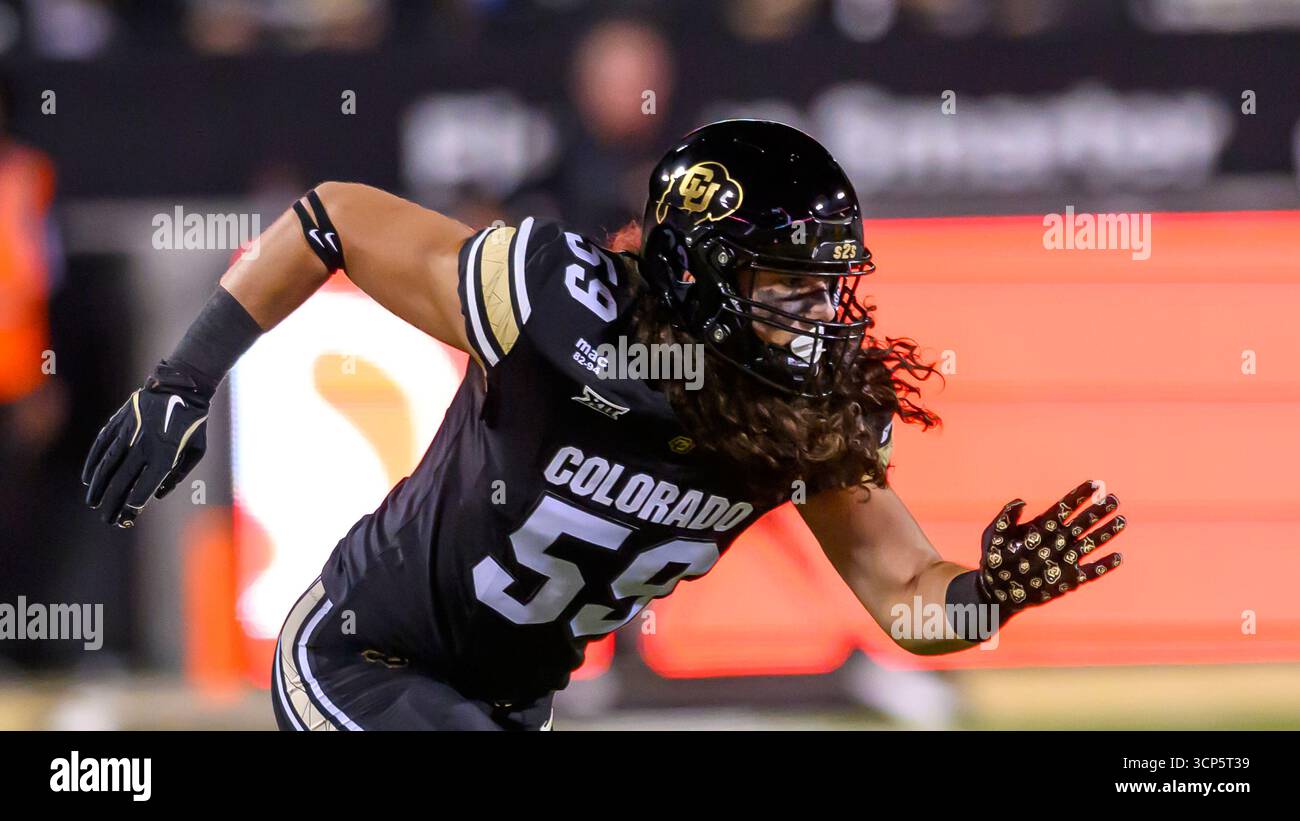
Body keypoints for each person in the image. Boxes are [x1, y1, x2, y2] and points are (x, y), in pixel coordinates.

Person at [81, 120, 1126, 730]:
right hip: (365, 652)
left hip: (506, 703)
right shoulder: (562, 309)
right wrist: (182, 380)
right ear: (702, 269)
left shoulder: (795, 414)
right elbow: (331, 217)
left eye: (825, 292)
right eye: (787, 287)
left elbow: (906, 599)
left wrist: (988, 596)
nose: (817, 318)